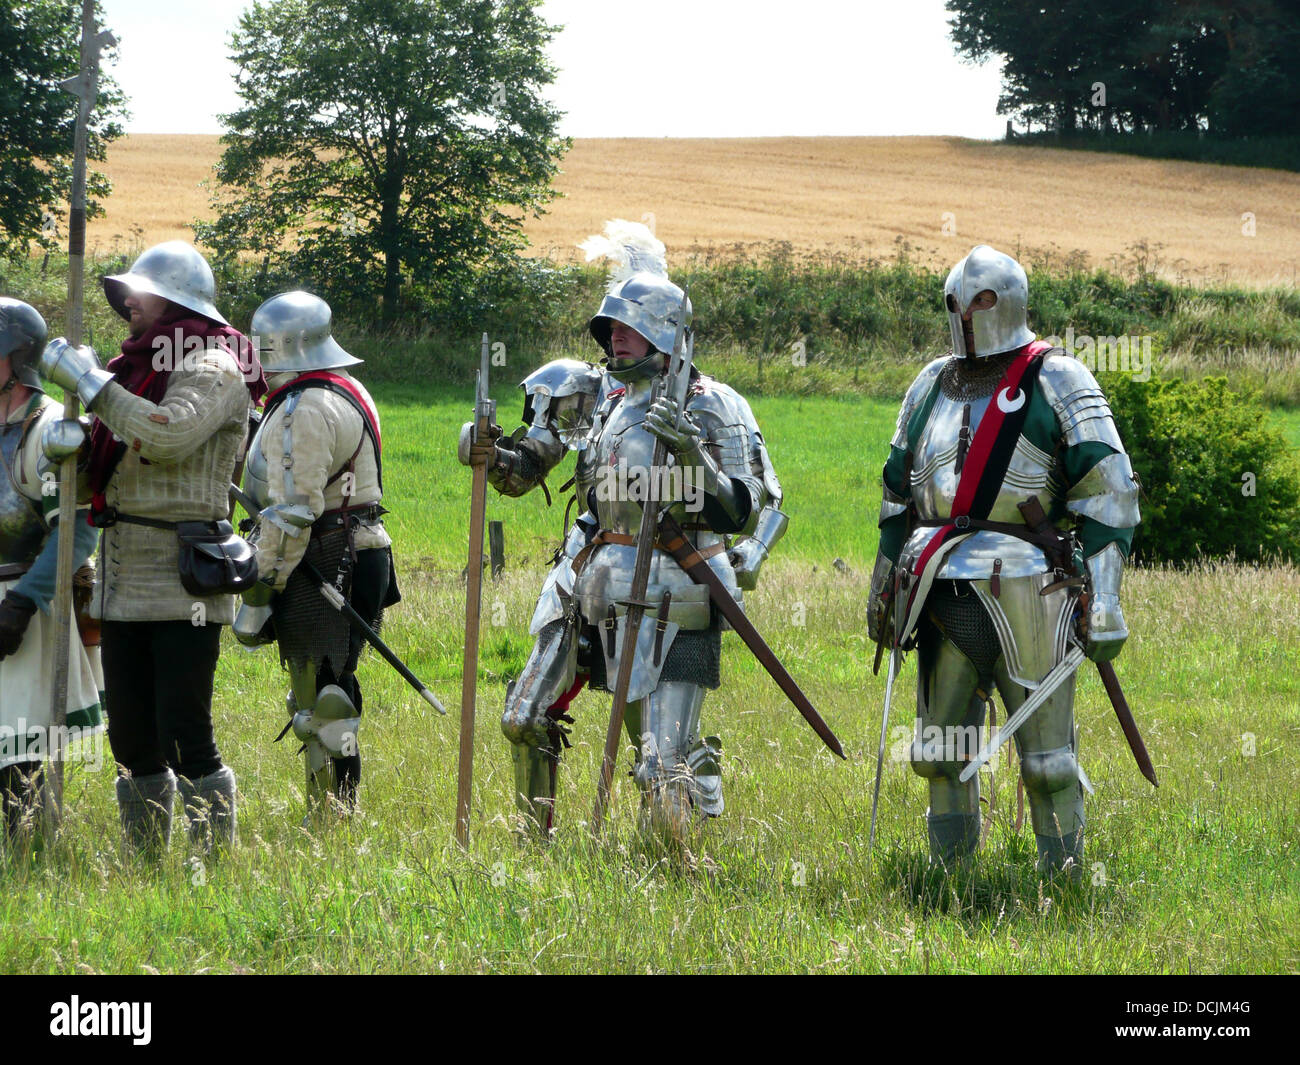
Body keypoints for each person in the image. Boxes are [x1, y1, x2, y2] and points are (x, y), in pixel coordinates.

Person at [461, 221, 786, 838]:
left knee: (659, 762)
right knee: (523, 715)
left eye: (628, 327)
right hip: (587, 578)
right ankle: (537, 849)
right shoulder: (600, 398)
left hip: (677, 583)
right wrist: (487, 455)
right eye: (609, 327)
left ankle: (674, 867)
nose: (614, 337)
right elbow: (524, 471)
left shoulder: (713, 404)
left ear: (665, 334)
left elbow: (745, 508)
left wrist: (693, 456)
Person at [867, 244, 1140, 876]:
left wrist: (1104, 599)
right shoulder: (930, 383)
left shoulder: (1059, 377)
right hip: (935, 581)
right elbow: (895, 494)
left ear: (1009, 300)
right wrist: (883, 587)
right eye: (957, 301)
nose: (967, 312)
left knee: (1047, 761)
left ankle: (1064, 883)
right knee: (939, 752)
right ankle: (950, 881)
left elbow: (1110, 493)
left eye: (982, 299)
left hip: (1031, 585)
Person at [38, 240, 264, 854]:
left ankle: (207, 866)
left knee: (186, 733)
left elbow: (168, 435)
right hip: (121, 576)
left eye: (137, 293)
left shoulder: (216, 364)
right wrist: (69, 452)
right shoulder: (132, 370)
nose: (126, 304)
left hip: (184, 573)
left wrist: (88, 383)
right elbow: (98, 484)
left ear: (172, 300)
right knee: (132, 738)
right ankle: (145, 863)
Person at [234, 291, 397, 818]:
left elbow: (294, 512)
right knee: (332, 686)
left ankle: (331, 812)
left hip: (326, 557)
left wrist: (261, 591)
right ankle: (334, 807)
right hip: (356, 548)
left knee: (321, 696)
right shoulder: (345, 387)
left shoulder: (303, 407)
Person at [0, 298, 103, 846]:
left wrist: (20, 605)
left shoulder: (51, 434)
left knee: (19, 747)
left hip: (28, 606)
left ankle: (31, 853)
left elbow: (77, 532)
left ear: (18, 362)